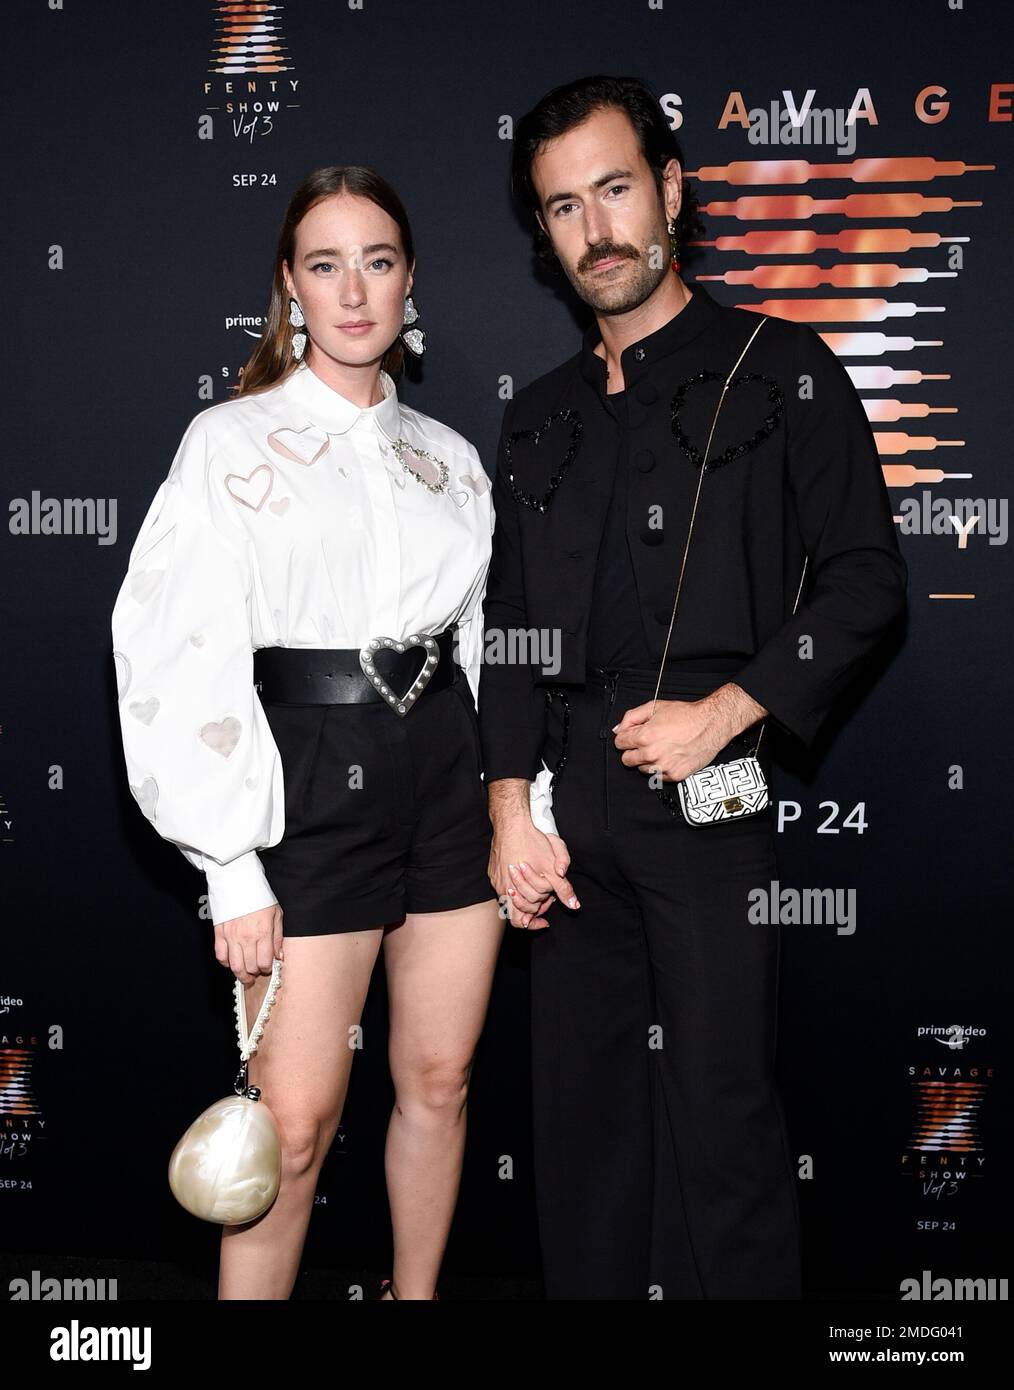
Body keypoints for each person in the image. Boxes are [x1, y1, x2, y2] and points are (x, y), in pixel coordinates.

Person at [478, 75, 908, 1298]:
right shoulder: (539, 420)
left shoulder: (783, 367)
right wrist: (510, 808)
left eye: (615, 190)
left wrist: (730, 711)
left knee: (723, 1116)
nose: (594, 229)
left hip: (711, 798)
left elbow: (869, 582)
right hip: (568, 825)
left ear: (670, 190)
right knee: (582, 1126)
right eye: (563, 208)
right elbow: (508, 625)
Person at [111, 165, 501, 1301]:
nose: (354, 289)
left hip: (446, 770)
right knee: (290, 1124)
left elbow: (477, 652)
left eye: (377, 260)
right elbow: (175, 646)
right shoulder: (228, 442)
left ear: (409, 278)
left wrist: (516, 802)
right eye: (325, 264)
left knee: (439, 1077)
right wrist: (228, 863)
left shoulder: (452, 460)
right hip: (305, 782)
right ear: (288, 285)